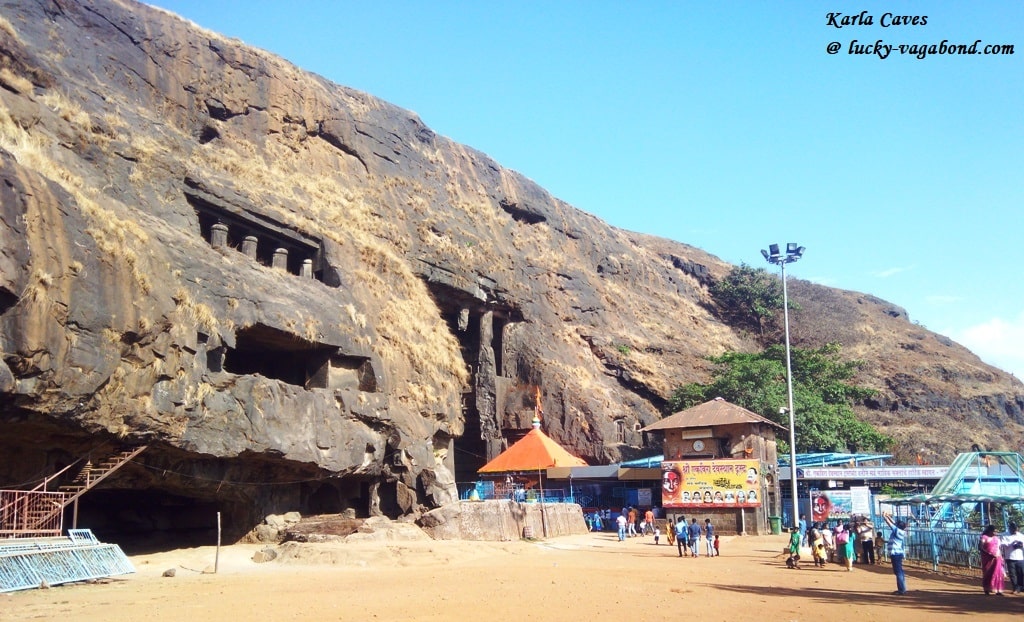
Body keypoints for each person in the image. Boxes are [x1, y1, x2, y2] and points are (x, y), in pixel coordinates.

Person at [883, 512, 908, 595]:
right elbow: (894, 523)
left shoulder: (897, 531)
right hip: (897, 553)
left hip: (895, 553)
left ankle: (901, 590)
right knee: (899, 571)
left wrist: (884, 517)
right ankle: (902, 588)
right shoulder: (900, 530)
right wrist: (888, 516)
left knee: (898, 572)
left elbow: (890, 524)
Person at [980, 524, 1006, 595]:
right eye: (994, 531)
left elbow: (998, 548)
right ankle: (987, 589)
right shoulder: (984, 537)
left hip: (997, 558)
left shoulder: (997, 539)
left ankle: (998, 590)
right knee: (988, 573)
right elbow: (980, 548)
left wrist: (1000, 556)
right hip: (987, 559)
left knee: (998, 573)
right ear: (990, 531)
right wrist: (989, 554)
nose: (995, 533)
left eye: (996, 531)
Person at [1002, 523, 1024, 594]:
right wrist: (1012, 543)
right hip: (1010, 557)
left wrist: (1020, 545)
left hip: (1020, 557)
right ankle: (1015, 588)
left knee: (1021, 573)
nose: (1015, 531)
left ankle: (1021, 587)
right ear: (1010, 528)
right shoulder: (1004, 535)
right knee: (1012, 574)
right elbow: (1003, 544)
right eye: (1013, 530)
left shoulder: (1021, 536)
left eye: (1016, 530)